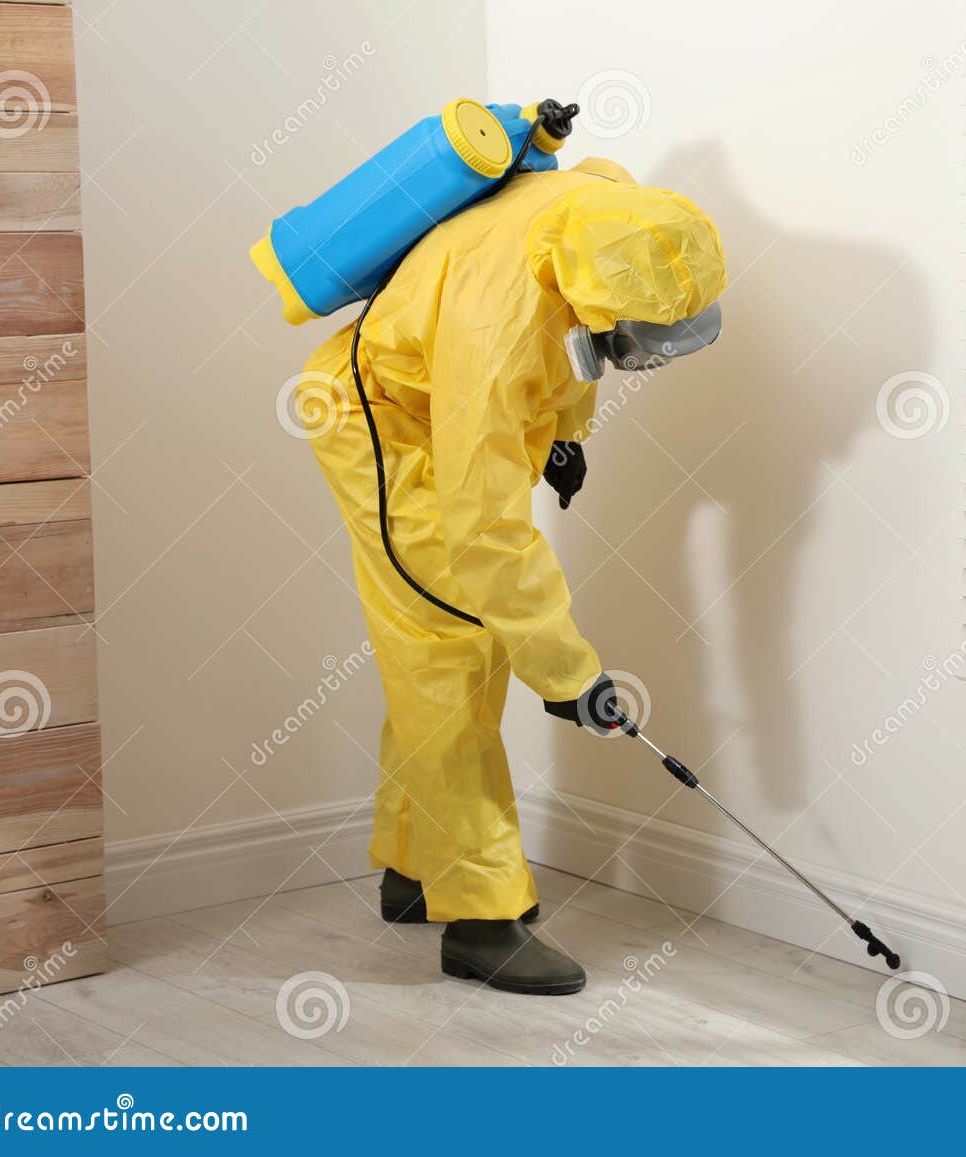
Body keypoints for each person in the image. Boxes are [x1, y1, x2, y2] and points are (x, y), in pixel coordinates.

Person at [296, 156, 726, 994]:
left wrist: (565, 431)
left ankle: (416, 865)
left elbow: (572, 334)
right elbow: (484, 527)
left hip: (439, 392)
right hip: (383, 415)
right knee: (449, 650)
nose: (644, 357)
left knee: (436, 651)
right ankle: (482, 918)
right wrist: (567, 673)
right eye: (639, 341)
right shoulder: (491, 331)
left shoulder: (611, 212)